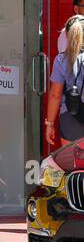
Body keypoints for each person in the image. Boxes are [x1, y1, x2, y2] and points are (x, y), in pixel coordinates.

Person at [46, 14, 84, 149]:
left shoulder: (61, 60)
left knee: (72, 164)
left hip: (71, 116)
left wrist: (50, 124)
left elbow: (55, 95)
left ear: (67, 35)